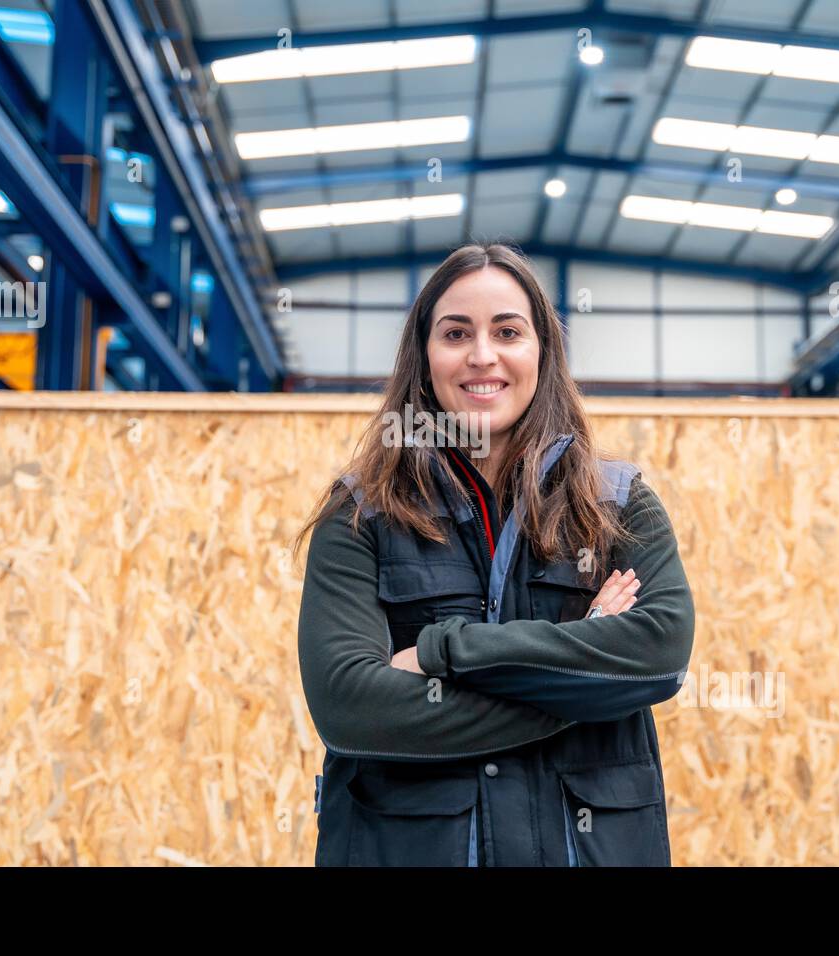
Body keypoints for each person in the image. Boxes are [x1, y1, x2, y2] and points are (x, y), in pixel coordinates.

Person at [292, 242, 694, 866]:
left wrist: (439, 653)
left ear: (542, 351)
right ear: (424, 359)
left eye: (508, 331)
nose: (483, 356)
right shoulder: (361, 514)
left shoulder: (617, 504)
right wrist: (580, 677)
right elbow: (351, 707)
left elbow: (659, 654)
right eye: (456, 333)